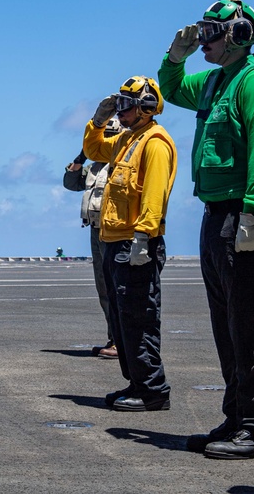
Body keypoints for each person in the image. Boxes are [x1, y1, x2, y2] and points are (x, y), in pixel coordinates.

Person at [159, 0, 254, 459]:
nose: (204, 40)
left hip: (247, 216)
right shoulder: (216, 80)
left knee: (253, 327)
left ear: (237, 35)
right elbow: (170, 91)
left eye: (211, 32)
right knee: (229, 328)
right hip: (217, 218)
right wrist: (174, 58)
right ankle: (237, 418)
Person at [84, 77, 176, 413]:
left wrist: (143, 239)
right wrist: (97, 121)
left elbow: (153, 194)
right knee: (123, 319)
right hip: (114, 242)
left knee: (140, 316)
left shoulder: (155, 142)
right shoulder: (127, 139)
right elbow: (94, 150)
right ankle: (137, 382)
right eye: (118, 105)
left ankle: (153, 390)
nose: (120, 112)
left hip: (136, 244)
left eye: (126, 105)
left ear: (147, 106)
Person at [62, 116, 122, 359]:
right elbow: (70, 182)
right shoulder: (94, 168)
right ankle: (114, 337)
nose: (105, 140)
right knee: (103, 286)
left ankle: (122, 341)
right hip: (95, 230)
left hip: (114, 230)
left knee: (117, 286)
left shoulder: (120, 163)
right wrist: (82, 155)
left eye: (109, 135)